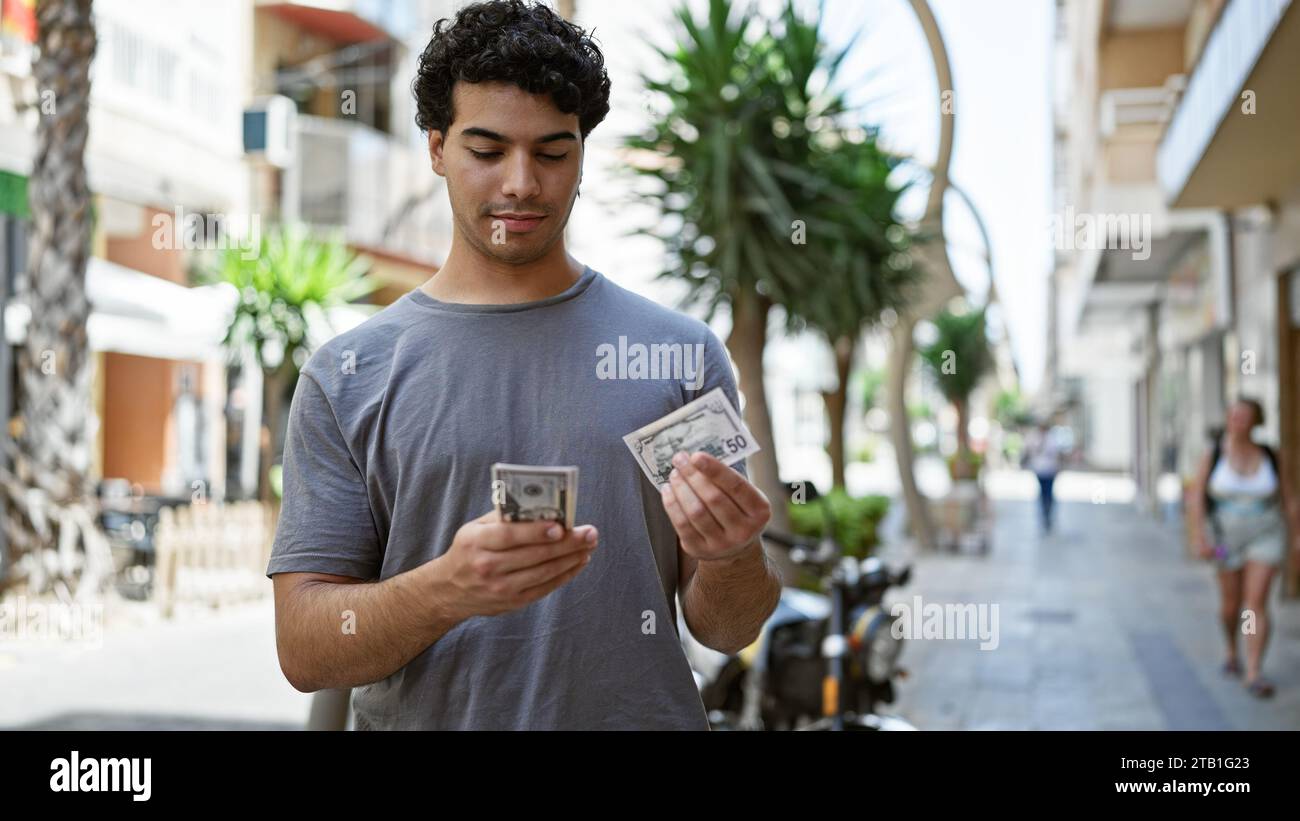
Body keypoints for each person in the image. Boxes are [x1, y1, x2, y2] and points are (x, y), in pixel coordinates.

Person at [265, 1, 780, 730]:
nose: (521, 184)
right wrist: (448, 587)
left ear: (582, 152)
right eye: (487, 150)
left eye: (551, 151)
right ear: (437, 148)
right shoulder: (348, 375)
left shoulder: (682, 358)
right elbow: (305, 648)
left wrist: (731, 555)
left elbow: (727, 628)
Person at [1189, 398, 1300, 699]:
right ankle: (1230, 649)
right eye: (1234, 416)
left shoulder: (1270, 455)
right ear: (1227, 419)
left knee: (1255, 603)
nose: (1239, 421)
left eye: (1245, 416)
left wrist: (1297, 535)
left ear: (1256, 421)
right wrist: (1199, 537)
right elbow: (1197, 497)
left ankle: (1253, 669)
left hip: (1266, 533)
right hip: (1225, 537)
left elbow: (1289, 497)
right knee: (1230, 605)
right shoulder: (1213, 454)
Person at [1023, 421, 1064, 534]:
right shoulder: (1041, 438)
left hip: (1047, 469)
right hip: (1042, 469)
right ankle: (1046, 514)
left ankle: (1047, 513)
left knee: (1047, 492)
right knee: (1046, 492)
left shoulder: (1049, 438)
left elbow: (1057, 455)